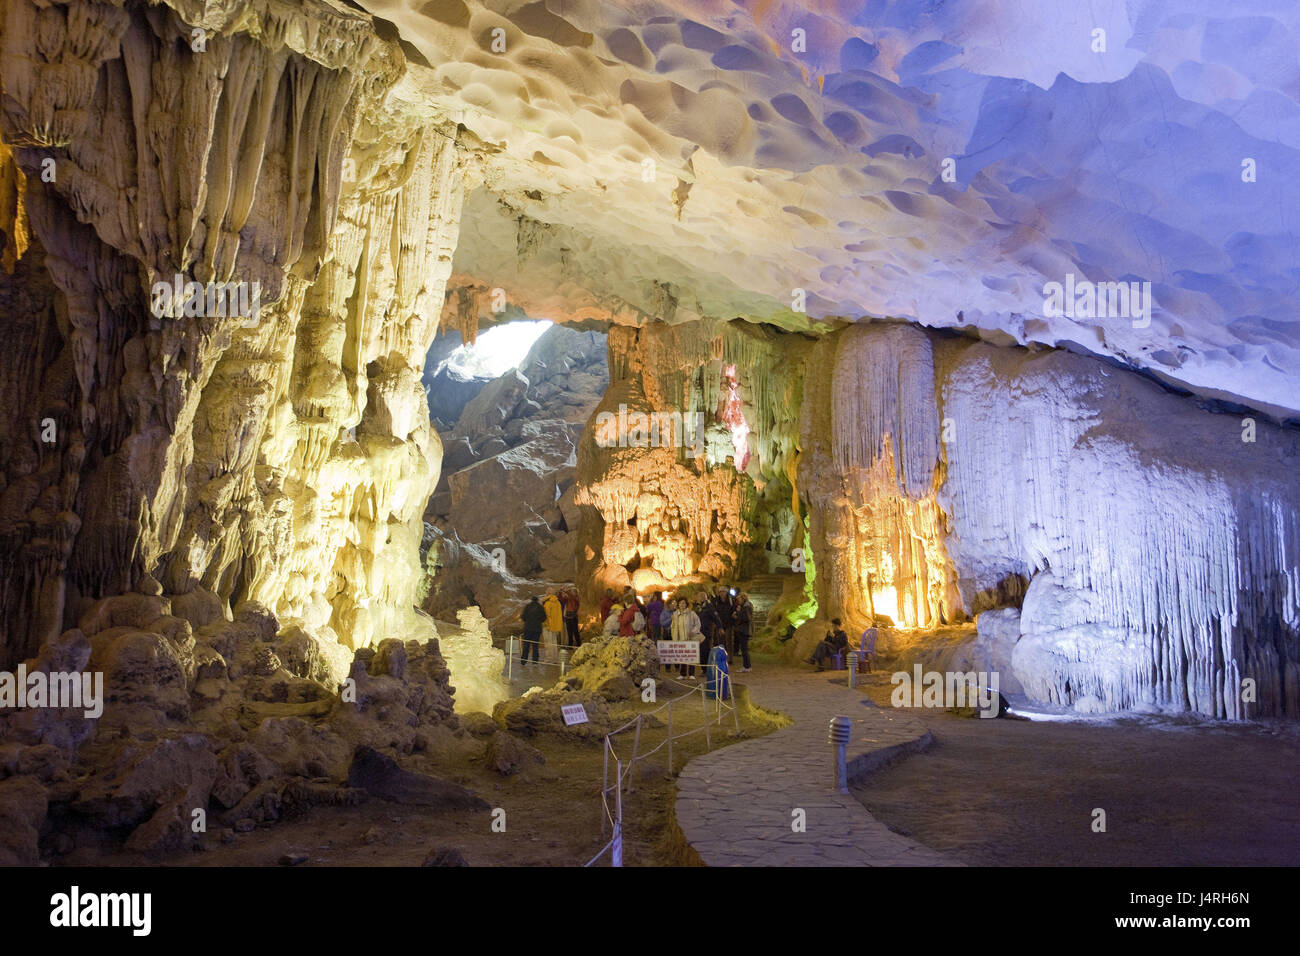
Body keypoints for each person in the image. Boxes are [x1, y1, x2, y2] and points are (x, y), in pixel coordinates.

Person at [670, 598, 702, 679]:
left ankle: (691, 674)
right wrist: (674, 638)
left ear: (686, 604)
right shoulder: (675, 614)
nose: (682, 605)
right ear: (678, 604)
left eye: (683, 603)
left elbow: (698, 624)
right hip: (680, 639)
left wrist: (693, 631)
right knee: (682, 656)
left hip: (690, 638)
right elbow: (673, 627)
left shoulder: (692, 613)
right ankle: (683, 674)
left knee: (691, 656)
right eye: (680, 603)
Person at [520, 595, 546, 667]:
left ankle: (523, 661)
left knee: (526, 645)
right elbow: (544, 618)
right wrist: (538, 621)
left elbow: (523, 617)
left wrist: (528, 621)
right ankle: (535, 662)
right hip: (537, 629)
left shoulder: (527, 606)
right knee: (535, 646)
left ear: (531, 600)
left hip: (528, 628)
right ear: (537, 600)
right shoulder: (540, 607)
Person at [732, 591, 754, 672]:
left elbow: (746, 618)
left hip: (744, 630)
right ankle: (746, 666)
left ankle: (747, 666)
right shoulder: (745, 606)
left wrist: (737, 613)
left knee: (744, 649)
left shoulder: (746, 607)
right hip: (743, 629)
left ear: (743, 598)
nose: (738, 601)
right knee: (744, 649)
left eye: (739, 599)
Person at [712, 585, 735, 656]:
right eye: (720, 592)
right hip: (719, 624)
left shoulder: (731, 601)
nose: (722, 593)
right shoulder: (716, 601)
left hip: (728, 624)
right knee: (720, 642)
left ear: (726, 592)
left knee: (729, 642)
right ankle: (721, 656)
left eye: (723, 592)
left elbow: (733, 610)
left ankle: (729, 657)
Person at [542, 591, 564, 664]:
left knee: (548, 643)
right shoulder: (558, 602)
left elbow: (547, 616)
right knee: (554, 643)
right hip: (556, 626)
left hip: (548, 627)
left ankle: (549, 659)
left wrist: (547, 625)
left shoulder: (548, 603)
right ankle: (555, 659)